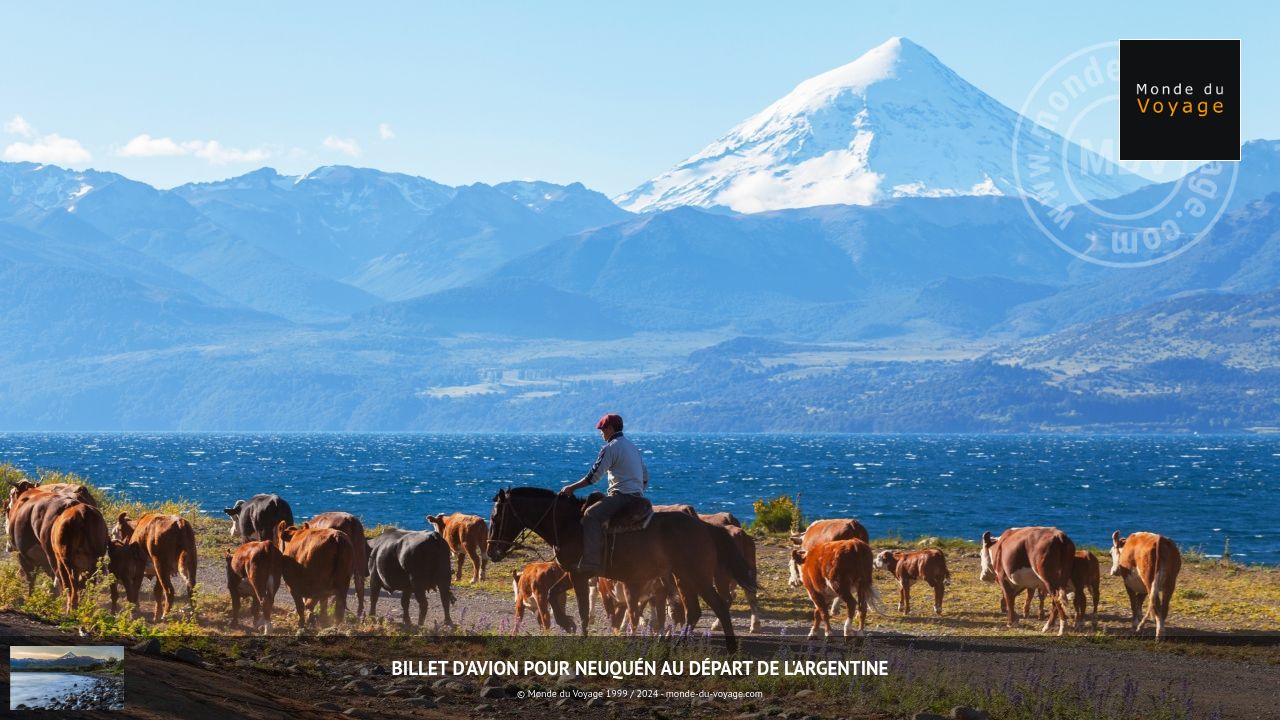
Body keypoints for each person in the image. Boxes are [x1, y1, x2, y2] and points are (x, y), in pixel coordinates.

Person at [559, 413, 650, 575]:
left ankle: (591, 563)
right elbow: (645, 478)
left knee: (590, 516)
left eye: (602, 429)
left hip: (622, 497)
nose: (601, 433)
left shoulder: (610, 448)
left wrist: (571, 488)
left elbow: (593, 477)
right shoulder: (632, 447)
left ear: (610, 428)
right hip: (638, 497)